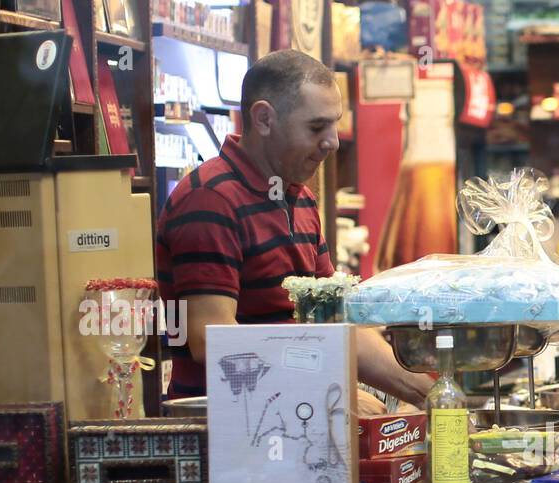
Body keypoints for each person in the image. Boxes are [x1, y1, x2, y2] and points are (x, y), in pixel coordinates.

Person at [156, 49, 431, 404]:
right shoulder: (210, 199)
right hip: (226, 433)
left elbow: (334, 324)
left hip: (292, 420)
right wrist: (325, 390)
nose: (332, 142)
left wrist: (433, 396)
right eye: (317, 127)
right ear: (264, 119)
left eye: (334, 124)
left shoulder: (299, 198)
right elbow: (211, 341)